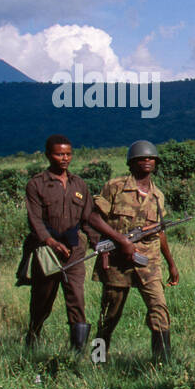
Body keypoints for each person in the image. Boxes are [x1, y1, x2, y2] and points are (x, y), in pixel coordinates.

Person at [21, 134, 139, 355]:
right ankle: (33, 334)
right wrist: (51, 242)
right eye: (59, 154)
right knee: (42, 300)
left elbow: (88, 219)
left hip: (75, 250)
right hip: (47, 251)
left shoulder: (79, 184)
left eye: (68, 154)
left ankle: (76, 354)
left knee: (76, 298)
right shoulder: (36, 184)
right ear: (48, 155)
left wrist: (99, 247)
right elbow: (34, 220)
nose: (64, 158)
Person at [93, 141, 181, 364]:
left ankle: (162, 364)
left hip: (148, 263)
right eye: (142, 158)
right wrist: (121, 240)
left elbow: (160, 232)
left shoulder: (157, 196)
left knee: (159, 309)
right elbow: (93, 218)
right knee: (108, 317)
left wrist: (170, 263)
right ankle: (97, 360)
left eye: (151, 159)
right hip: (117, 261)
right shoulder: (115, 187)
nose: (148, 162)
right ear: (131, 163)